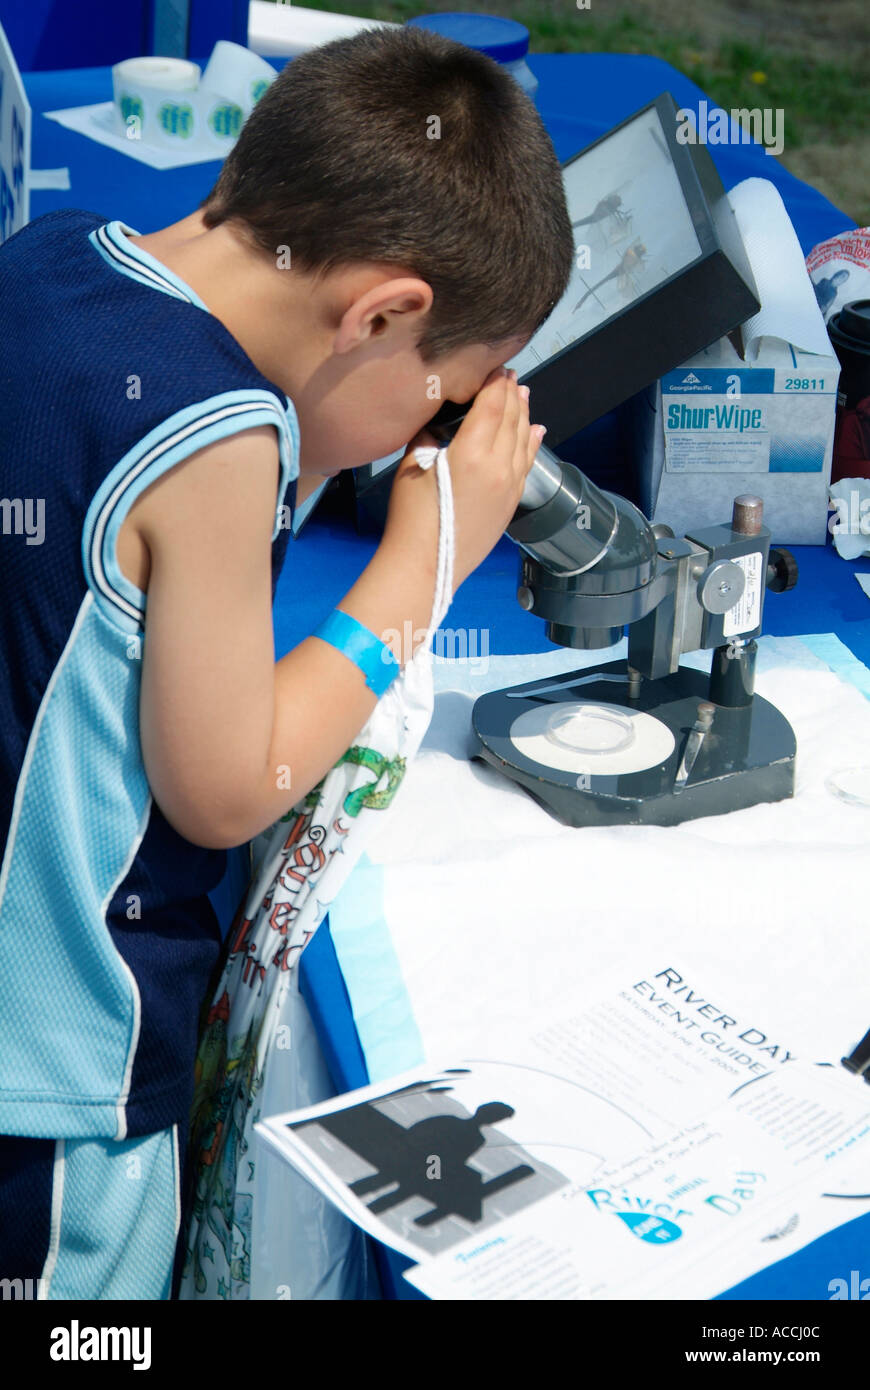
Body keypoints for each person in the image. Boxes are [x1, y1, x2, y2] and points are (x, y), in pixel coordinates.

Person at [0, 24, 573, 1299]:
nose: (419, 435)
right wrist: (419, 572)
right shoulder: (218, 439)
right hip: (51, 1111)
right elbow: (225, 782)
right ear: (384, 312)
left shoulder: (53, 256)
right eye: (441, 396)